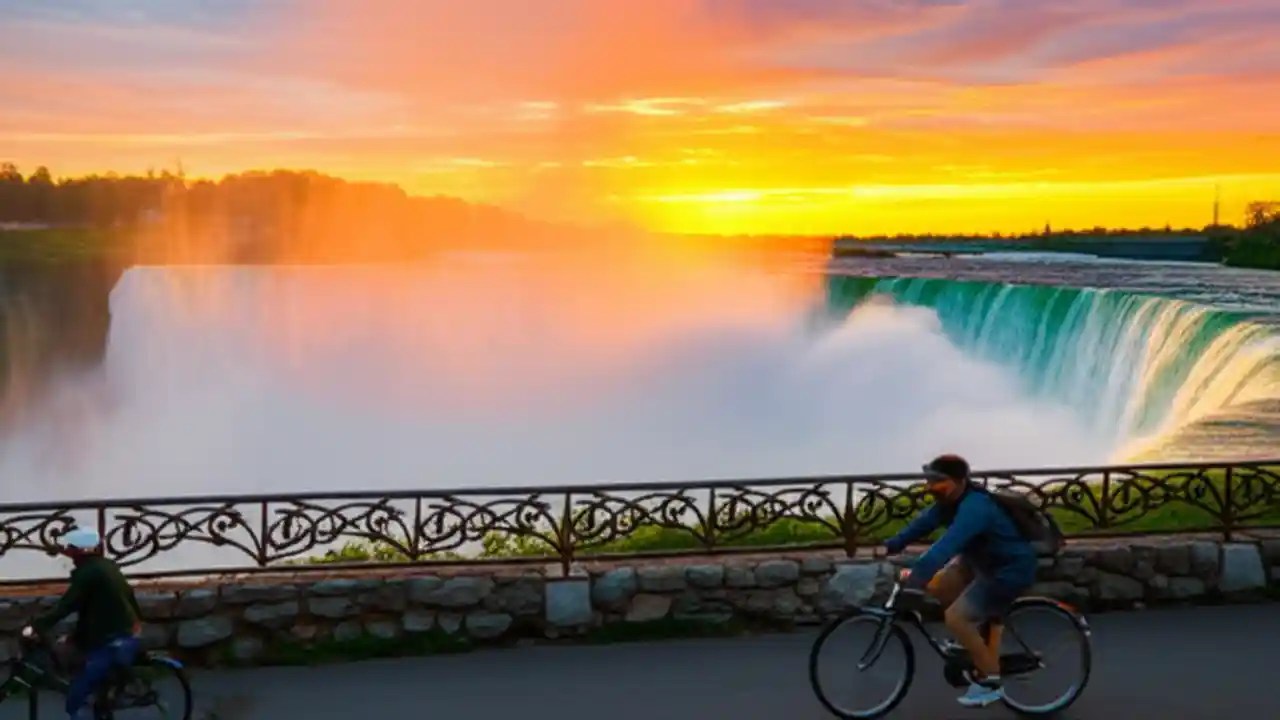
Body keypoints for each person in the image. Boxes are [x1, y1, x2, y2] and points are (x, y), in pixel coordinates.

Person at [883, 454, 1038, 709]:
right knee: (940, 586)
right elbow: (924, 523)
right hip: (979, 563)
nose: (932, 487)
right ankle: (974, 643)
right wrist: (893, 544)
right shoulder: (949, 501)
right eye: (930, 481)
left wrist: (918, 574)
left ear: (959, 481)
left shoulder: (975, 507)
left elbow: (946, 546)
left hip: (1007, 571)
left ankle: (989, 683)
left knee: (956, 618)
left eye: (938, 482)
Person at [27, 527, 143, 720]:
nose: (67, 552)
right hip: (118, 628)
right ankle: (101, 696)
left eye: (70, 548)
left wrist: (38, 625)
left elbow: (67, 605)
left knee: (78, 693)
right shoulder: (106, 565)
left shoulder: (89, 574)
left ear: (78, 551)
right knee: (68, 651)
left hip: (113, 636)